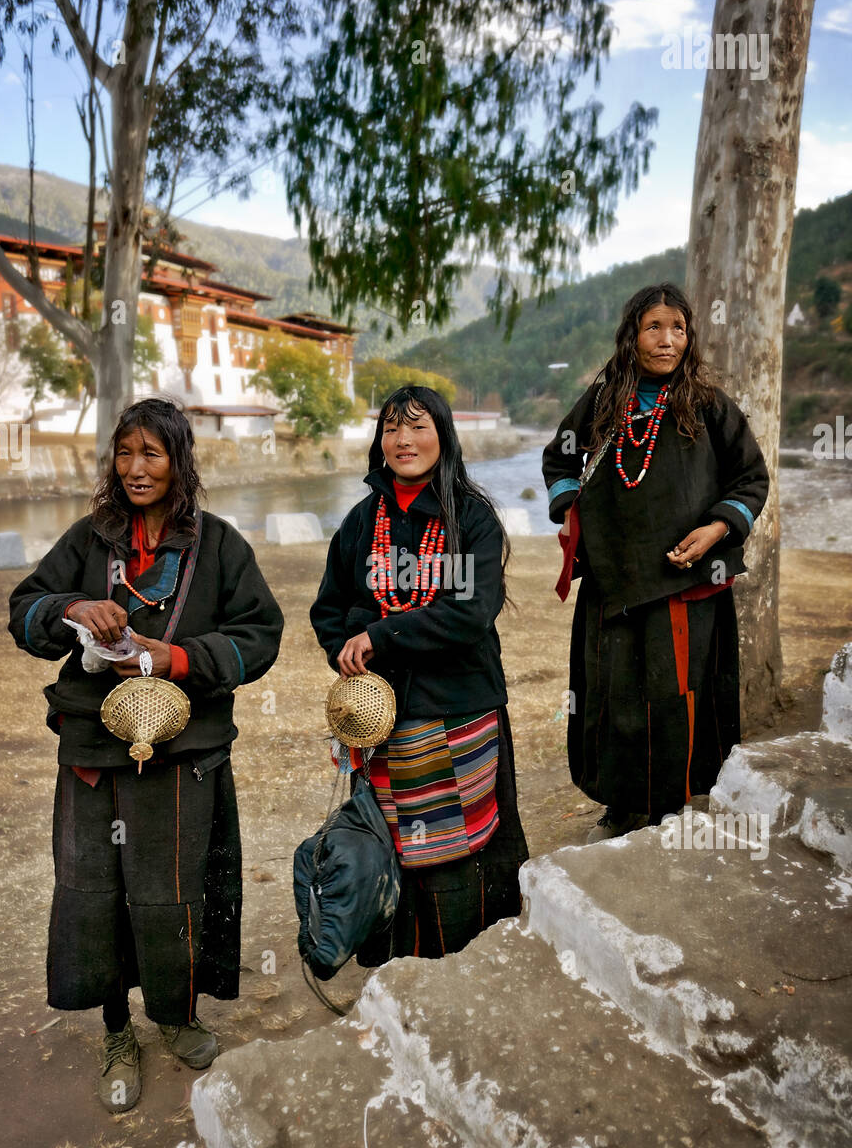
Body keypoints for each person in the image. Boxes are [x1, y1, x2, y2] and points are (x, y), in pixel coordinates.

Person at [9, 398, 283, 1112]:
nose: (135, 468)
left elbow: (260, 635)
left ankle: (176, 1012)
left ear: (179, 461)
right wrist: (71, 610)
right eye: (124, 453)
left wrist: (180, 656)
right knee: (97, 893)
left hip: (182, 753)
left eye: (151, 454)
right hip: (95, 749)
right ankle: (116, 1028)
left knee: (172, 891)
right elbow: (24, 607)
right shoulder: (88, 541)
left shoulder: (220, 545)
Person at [542, 283, 769, 839]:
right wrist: (572, 513)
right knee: (612, 694)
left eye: (678, 328)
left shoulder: (710, 406)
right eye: (653, 327)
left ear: (689, 337)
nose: (667, 340)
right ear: (632, 335)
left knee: (672, 696)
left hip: (681, 583)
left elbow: (751, 478)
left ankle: (668, 806)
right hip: (612, 581)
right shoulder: (603, 401)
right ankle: (620, 803)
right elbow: (561, 458)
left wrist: (716, 528)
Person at [310, 383, 529, 960]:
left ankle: (463, 961)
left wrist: (377, 633)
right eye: (391, 428)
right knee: (393, 846)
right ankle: (395, 966)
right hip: (381, 718)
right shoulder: (361, 522)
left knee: (459, 851)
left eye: (418, 426)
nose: (403, 439)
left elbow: (467, 613)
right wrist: (344, 648)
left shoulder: (469, 518)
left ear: (444, 436)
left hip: (456, 710)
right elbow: (328, 607)